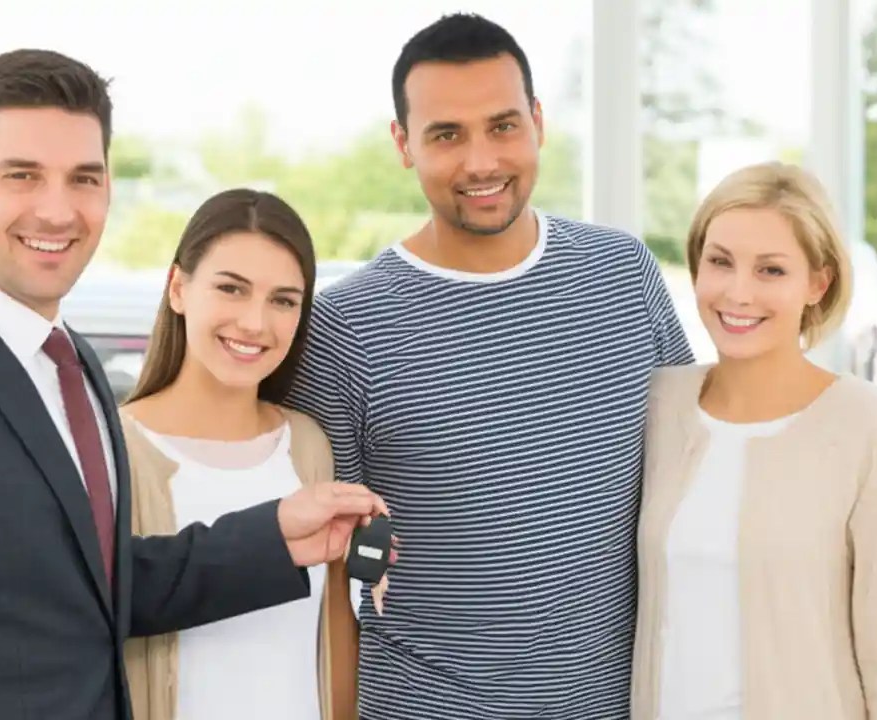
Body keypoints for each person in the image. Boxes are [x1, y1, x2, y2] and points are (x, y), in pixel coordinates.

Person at [0, 49, 388, 720]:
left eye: (84, 179)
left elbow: (98, 589)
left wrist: (275, 535)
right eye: (22, 175)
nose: (57, 210)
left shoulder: (71, 365)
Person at [282, 13, 695, 719]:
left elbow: (690, 481)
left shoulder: (623, 275)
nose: (480, 162)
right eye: (446, 134)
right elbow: (332, 575)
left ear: (537, 121)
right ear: (403, 143)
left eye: (503, 125)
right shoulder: (345, 329)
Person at [631, 161, 877, 719]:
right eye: (720, 262)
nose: (738, 293)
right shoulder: (658, 405)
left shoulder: (871, 428)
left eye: (771, 270)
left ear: (819, 282)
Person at [119, 188, 365, 720]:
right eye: (231, 288)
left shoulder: (307, 447)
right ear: (178, 288)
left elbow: (335, 632)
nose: (255, 323)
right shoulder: (115, 450)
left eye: (283, 300)